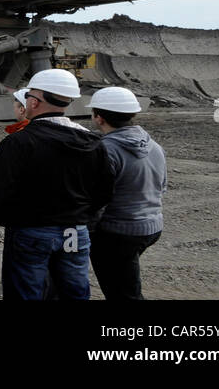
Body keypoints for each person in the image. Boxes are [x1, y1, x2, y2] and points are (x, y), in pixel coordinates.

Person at [0, 69, 114, 300]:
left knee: (25, 293)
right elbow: (104, 190)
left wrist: (9, 220)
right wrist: (81, 214)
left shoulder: (18, 142)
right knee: (73, 293)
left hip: (30, 231)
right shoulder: (93, 142)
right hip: (75, 232)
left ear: (33, 102)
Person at [88, 86, 167, 300]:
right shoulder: (154, 146)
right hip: (151, 226)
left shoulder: (106, 150)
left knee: (123, 293)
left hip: (119, 231)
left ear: (99, 117)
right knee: (125, 279)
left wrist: (87, 231)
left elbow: (97, 198)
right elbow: (162, 186)